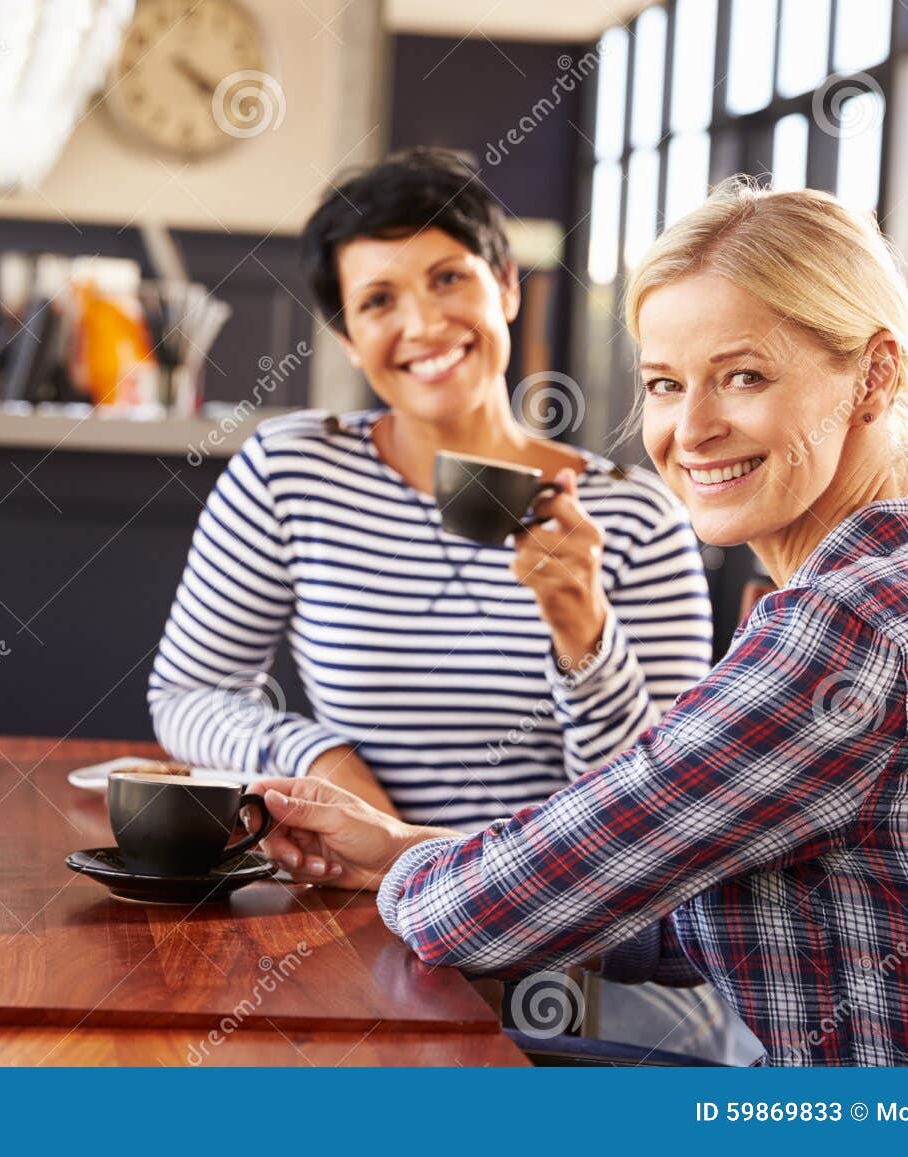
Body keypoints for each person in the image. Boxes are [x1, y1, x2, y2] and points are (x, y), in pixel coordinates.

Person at [249, 180, 908, 1066]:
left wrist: (413, 873)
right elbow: (679, 878)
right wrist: (402, 848)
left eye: (743, 375)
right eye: (666, 384)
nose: (692, 429)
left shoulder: (852, 627)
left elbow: (482, 918)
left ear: (875, 375)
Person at [148, 148, 714, 832]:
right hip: (351, 902)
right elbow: (187, 695)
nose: (422, 324)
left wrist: (583, 633)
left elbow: (653, 816)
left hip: (542, 920)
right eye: (378, 300)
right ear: (347, 337)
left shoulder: (637, 516)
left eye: (448, 278)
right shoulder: (289, 470)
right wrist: (321, 761)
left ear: (506, 286)